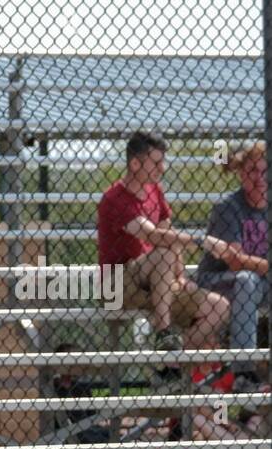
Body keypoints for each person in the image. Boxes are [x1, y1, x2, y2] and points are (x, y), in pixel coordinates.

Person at [96, 131, 230, 358]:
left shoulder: (154, 190)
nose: (162, 168)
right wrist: (199, 241)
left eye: (162, 162)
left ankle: (170, 363)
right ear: (135, 164)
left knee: (220, 306)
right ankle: (163, 332)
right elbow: (154, 237)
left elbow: (168, 232)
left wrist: (180, 276)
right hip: (118, 285)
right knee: (163, 254)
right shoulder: (115, 198)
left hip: (157, 284)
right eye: (156, 162)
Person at [195, 142, 269, 393]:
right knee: (245, 280)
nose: (258, 178)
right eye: (251, 171)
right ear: (240, 173)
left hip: (261, 281)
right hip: (217, 281)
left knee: (250, 279)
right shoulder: (229, 207)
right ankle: (243, 372)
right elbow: (234, 260)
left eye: (264, 170)